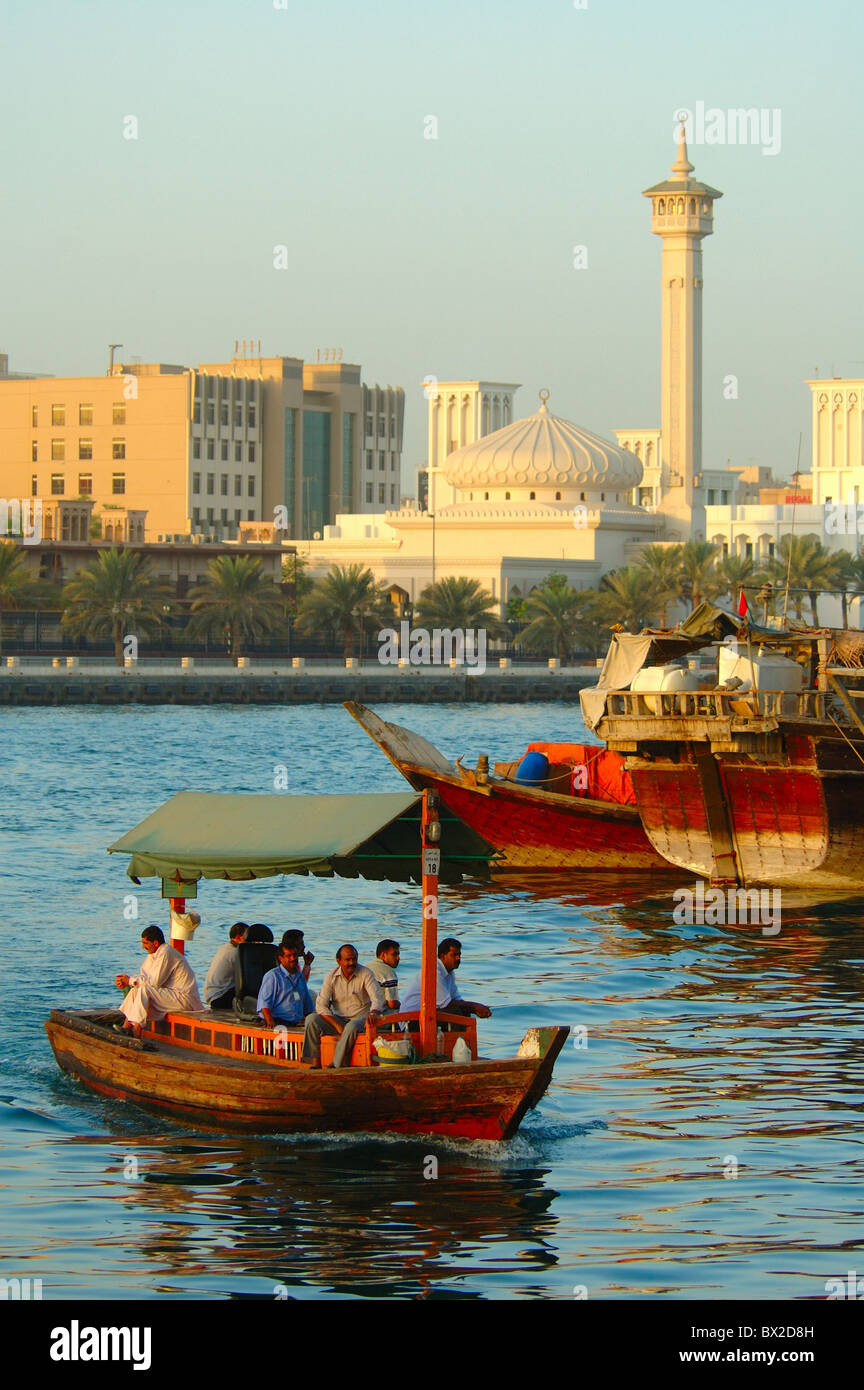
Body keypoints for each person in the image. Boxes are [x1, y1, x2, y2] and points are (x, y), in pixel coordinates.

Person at [302, 945, 384, 1069]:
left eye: (354, 959)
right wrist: (336, 1025)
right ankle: (315, 1064)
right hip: (339, 1018)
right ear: (339, 961)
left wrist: (373, 1013)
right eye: (348, 960)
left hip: (360, 1018)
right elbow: (321, 1005)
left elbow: (378, 999)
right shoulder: (331, 976)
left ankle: (335, 1065)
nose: (352, 963)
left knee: (351, 1026)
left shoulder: (366, 973)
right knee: (311, 1019)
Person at [114, 926, 203, 1037]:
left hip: (184, 998)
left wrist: (131, 981)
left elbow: (154, 982)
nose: (143, 947)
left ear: (155, 943)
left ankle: (136, 1031)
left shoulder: (166, 952)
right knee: (135, 990)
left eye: (145, 943)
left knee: (144, 990)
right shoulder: (153, 954)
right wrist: (128, 981)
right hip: (171, 995)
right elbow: (144, 977)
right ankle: (126, 1027)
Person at [400, 938, 492, 1020]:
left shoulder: (450, 973)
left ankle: (460, 1038)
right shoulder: (434, 971)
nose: (458, 958)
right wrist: (475, 1006)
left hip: (425, 1015)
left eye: (459, 954)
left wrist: (476, 1009)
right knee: (456, 1011)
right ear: (443, 956)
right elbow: (446, 1003)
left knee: (464, 1011)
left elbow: (457, 999)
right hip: (411, 1018)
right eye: (454, 955)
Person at [257, 943, 315, 1027]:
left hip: (295, 1024)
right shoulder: (273, 976)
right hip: (277, 1022)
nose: (293, 958)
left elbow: (307, 1006)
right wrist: (271, 1024)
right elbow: (264, 1005)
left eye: (295, 955)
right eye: (289, 956)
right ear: (281, 958)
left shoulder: (300, 977)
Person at [203, 922, 248, 1010]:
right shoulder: (235, 953)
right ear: (238, 937)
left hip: (212, 995)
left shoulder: (225, 948)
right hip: (220, 997)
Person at [364, 939, 400, 1012]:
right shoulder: (388, 972)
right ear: (383, 955)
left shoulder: (366, 967)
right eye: (394, 954)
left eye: (398, 954)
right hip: (376, 1015)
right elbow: (392, 1004)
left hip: (362, 1011)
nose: (398, 958)